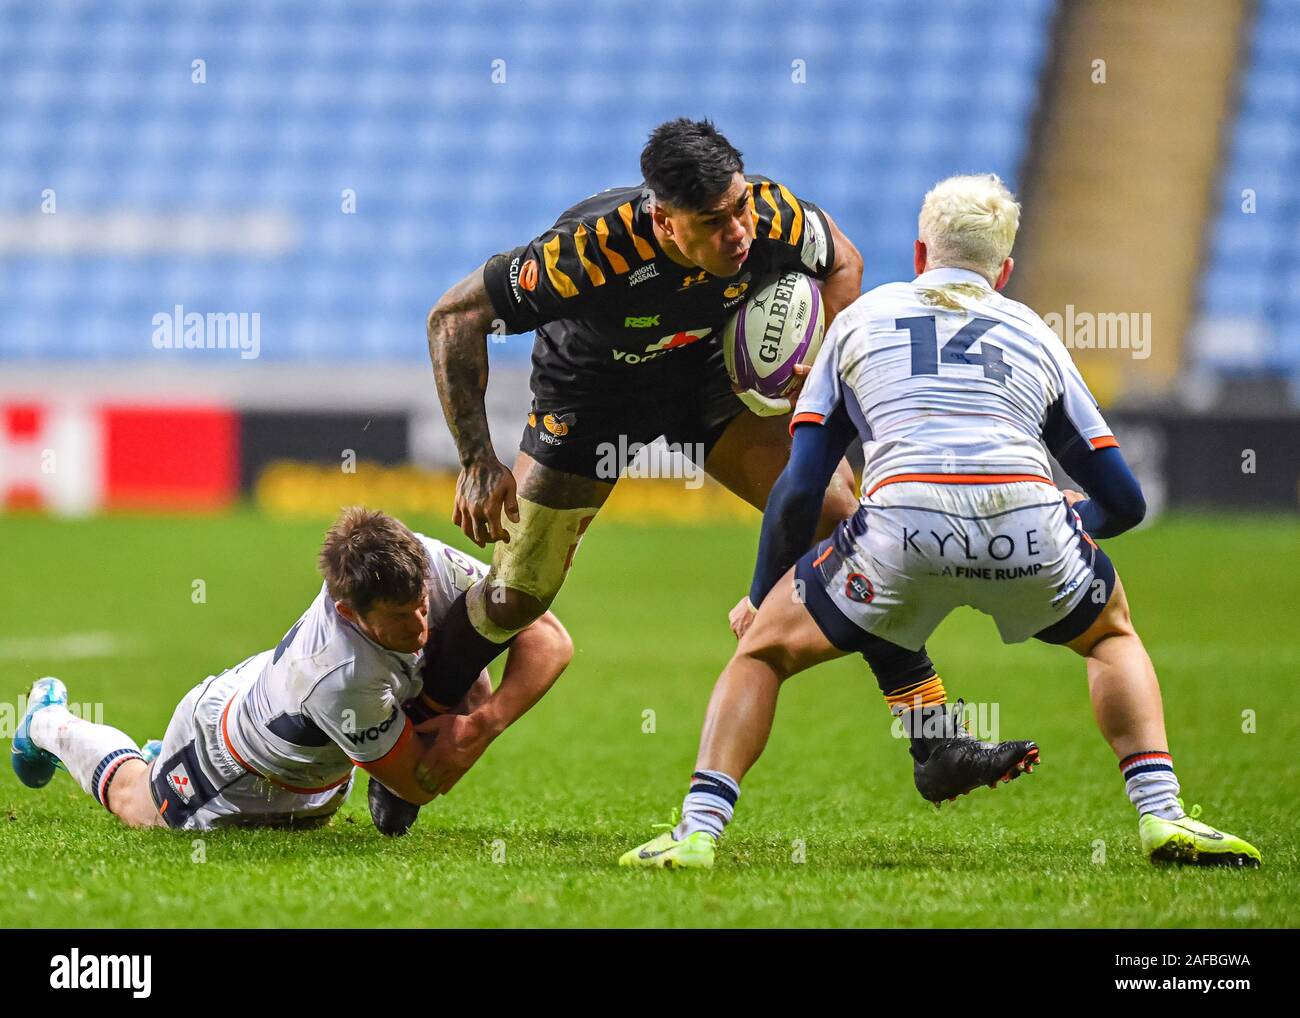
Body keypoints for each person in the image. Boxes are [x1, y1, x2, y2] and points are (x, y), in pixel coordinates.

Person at [387, 119, 1037, 831]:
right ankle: (413, 729)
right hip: (591, 394)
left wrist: (816, 378)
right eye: (715, 221)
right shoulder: (587, 252)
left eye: (741, 208)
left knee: (835, 517)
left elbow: (843, 263)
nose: (740, 232)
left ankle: (934, 740)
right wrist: (478, 461)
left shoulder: (773, 214)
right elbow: (454, 318)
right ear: (664, 222)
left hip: (709, 380)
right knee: (520, 592)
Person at [619, 173, 1261, 870]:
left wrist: (761, 594)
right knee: (1112, 638)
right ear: (1004, 272)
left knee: (762, 656)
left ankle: (698, 834)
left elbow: (801, 486)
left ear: (920, 253)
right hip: (1027, 527)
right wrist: (1088, 517)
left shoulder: (860, 321)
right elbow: (1127, 500)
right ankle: (1163, 816)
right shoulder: (1033, 335)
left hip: (901, 532)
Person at [10, 507, 572, 832]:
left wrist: (487, 720)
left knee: (472, 682)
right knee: (140, 802)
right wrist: (462, 718)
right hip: (234, 758)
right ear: (350, 612)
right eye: (401, 619)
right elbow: (417, 783)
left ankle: (156, 751)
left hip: (316, 752)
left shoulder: (418, 560)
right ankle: (48, 721)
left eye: (424, 604)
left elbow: (548, 636)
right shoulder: (338, 674)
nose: (422, 626)